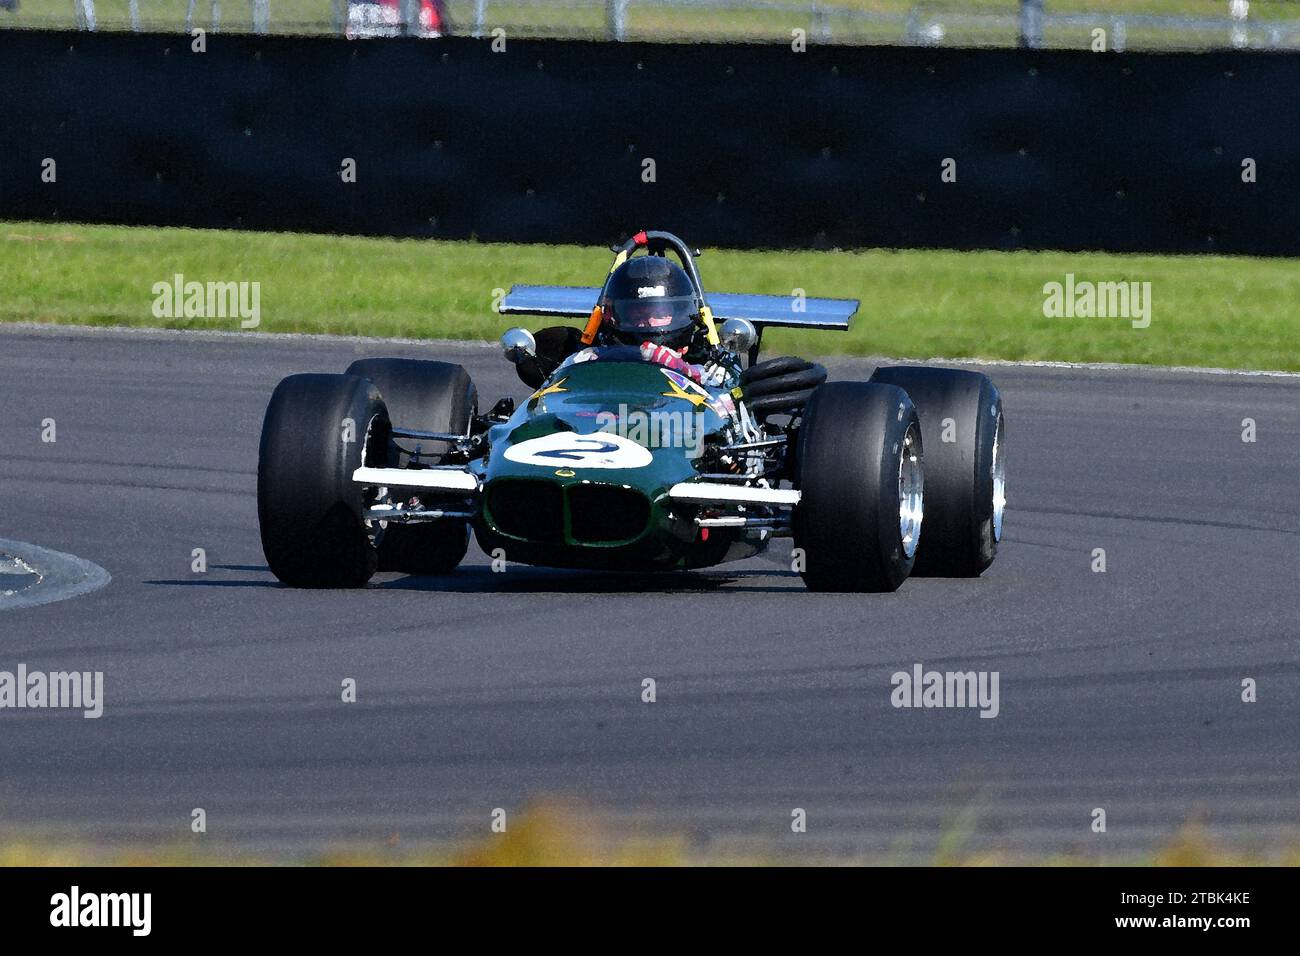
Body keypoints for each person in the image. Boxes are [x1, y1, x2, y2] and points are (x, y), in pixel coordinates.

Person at [515, 256, 732, 389]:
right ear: (614, 317)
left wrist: (679, 367)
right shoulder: (588, 360)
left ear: (683, 314)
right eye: (637, 316)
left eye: (658, 314)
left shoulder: (710, 372)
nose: (648, 323)